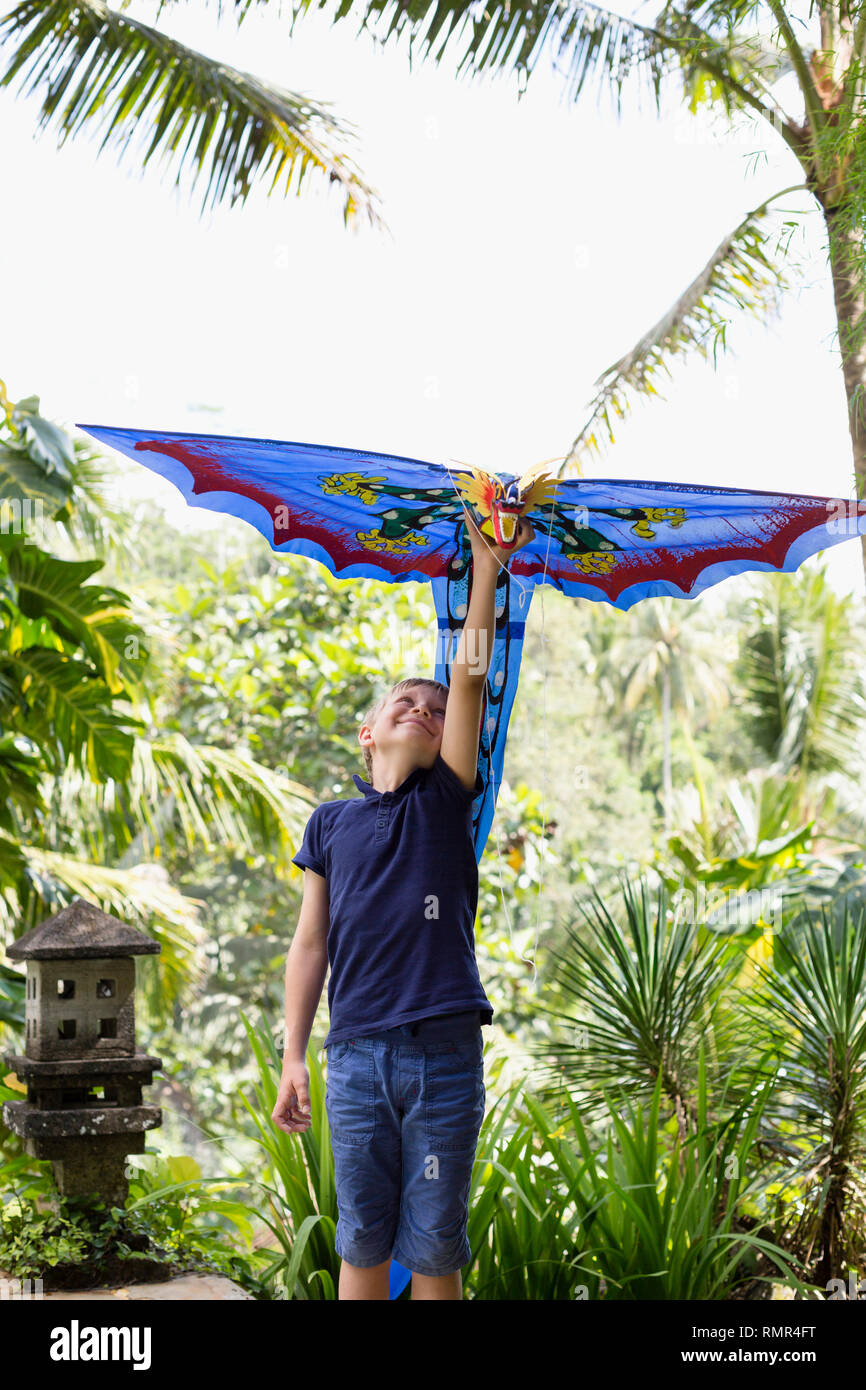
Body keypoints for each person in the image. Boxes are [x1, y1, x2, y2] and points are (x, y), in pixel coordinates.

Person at [271, 499, 535, 1300]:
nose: (423, 710)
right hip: (353, 1060)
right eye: (404, 704)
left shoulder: (447, 799)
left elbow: (470, 674)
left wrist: (487, 566)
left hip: (443, 1058)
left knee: (433, 1254)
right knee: (362, 1247)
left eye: (434, 709)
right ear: (368, 731)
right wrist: (292, 1055)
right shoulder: (330, 824)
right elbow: (309, 944)